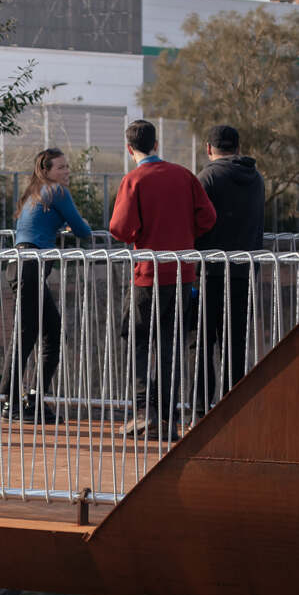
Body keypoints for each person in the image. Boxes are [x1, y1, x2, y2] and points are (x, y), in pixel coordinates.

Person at [108, 120, 216, 441]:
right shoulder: (184, 175)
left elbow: (119, 228)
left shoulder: (134, 180)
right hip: (183, 274)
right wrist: (184, 234)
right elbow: (208, 218)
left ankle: (144, 413)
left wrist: (144, 233)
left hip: (147, 274)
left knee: (139, 340)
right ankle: (168, 417)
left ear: (130, 149)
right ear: (156, 144)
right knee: (171, 345)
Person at [5, 148, 93, 421]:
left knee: (47, 334)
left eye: (67, 167)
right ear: (46, 171)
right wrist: (79, 227)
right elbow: (84, 232)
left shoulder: (36, 192)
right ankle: (13, 402)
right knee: (29, 336)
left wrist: (61, 230)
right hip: (29, 267)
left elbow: (42, 227)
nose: (66, 171)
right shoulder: (56, 191)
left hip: (23, 265)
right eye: (60, 167)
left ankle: (30, 401)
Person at [197, 123, 265, 405]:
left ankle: (201, 409)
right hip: (245, 271)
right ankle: (233, 408)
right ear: (238, 148)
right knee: (235, 344)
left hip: (210, 272)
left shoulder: (207, 178)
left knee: (201, 343)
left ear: (209, 149)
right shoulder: (257, 178)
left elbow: (197, 223)